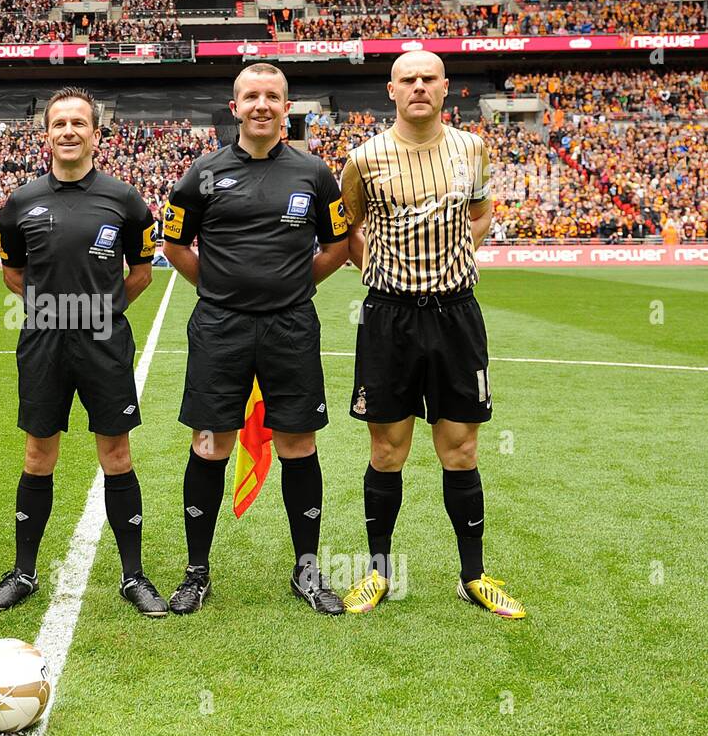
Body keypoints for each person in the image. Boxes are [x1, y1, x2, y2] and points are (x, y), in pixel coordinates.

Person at [338, 50, 526, 620]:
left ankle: (473, 575)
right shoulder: (363, 159)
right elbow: (351, 231)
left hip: (456, 316)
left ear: (446, 88)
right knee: (386, 450)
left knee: (461, 449)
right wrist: (389, 270)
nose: (418, 86)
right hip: (390, 318)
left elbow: (481, 213)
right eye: (407, 79)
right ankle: (378, 573)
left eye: (428, 79)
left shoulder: (472, 149)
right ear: (390, 90)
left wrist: (451, 254)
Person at [161, 62, 350, 616]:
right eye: (252, 96)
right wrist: (220, 291)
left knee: (299, 444)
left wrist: (290, 289)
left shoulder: (315, 173)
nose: (262, 105)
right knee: (209, 444)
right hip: (221, 327)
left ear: (286, 106)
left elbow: (337, 246)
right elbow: (175, 245)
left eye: (273, 96)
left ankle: (308, 571)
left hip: (291, 328)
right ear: (235, 105)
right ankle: (197, 573)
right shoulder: (201, 173)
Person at [0, 86, 167, 617]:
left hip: (104, 341)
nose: (68, 131)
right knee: (38, 455)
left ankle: (133, 576)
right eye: (59, 123)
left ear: (95, 133)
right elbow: (14, 272)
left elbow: (140, 274)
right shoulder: (21, 202)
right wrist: (55, 309)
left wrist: (103, 309)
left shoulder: (125, 199)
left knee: (117, 455)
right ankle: (23, 573)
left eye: (78, 123)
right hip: (42, 339)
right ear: (47, 134)